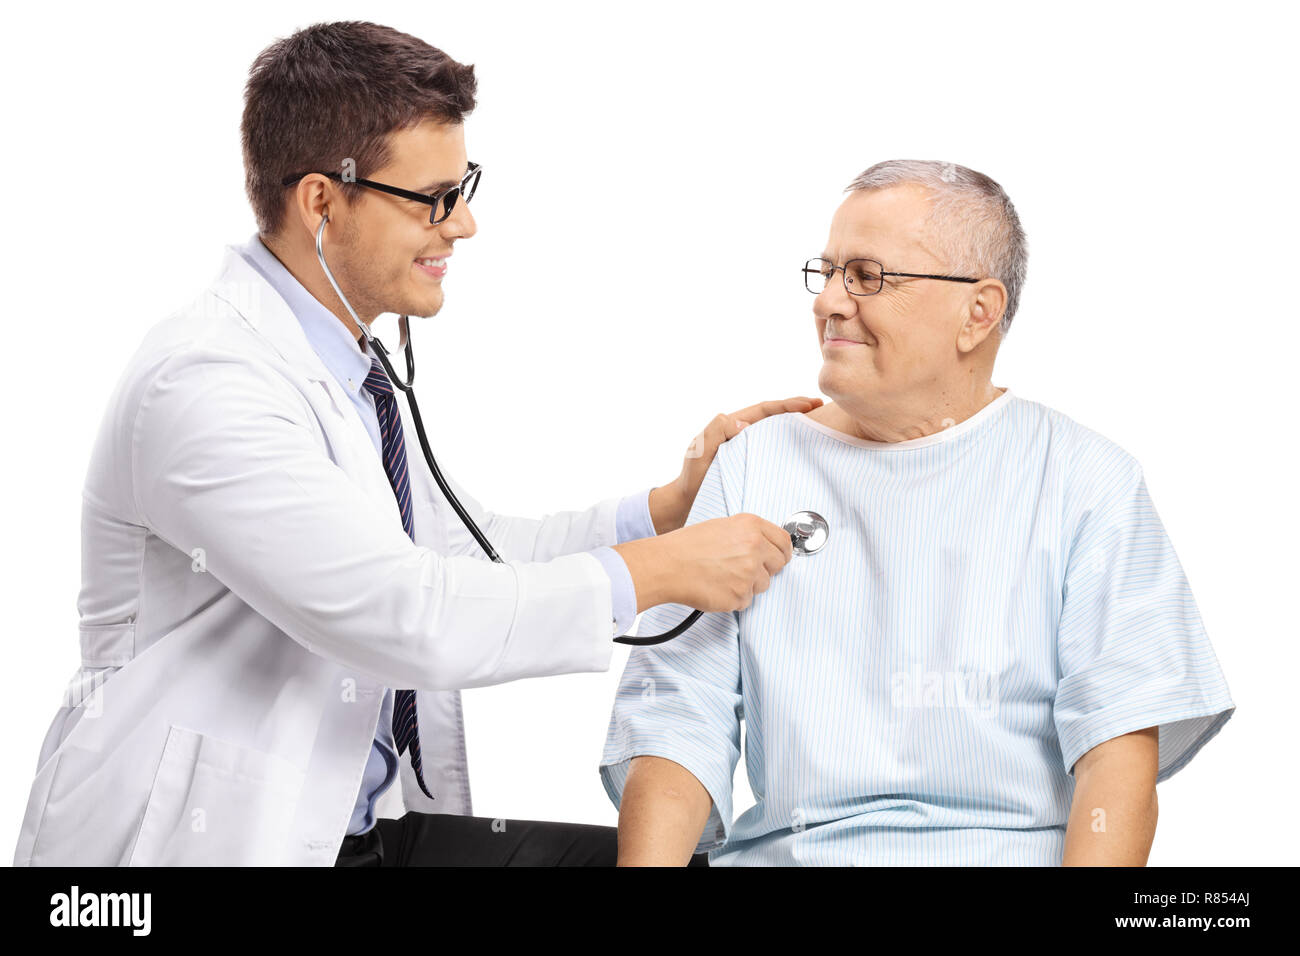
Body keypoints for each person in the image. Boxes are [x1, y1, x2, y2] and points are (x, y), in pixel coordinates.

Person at [11, 20, 817, 867]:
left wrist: (665, 512)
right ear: (321, 201)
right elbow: (407, 614)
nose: (462, 225)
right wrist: (663, 572)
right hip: (200, 844)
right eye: (434, 197)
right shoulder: (206, 383)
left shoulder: (345, 361)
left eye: (463, 186)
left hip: (346, 829)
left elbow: (468, 553)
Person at [599, 159, 1235, 866]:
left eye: (867, 276)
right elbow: (678, 720)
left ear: (979, 312)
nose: (830, 302)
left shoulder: (1087, 480)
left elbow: (1117, 754)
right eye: (829, 270)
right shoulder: (750, 464)